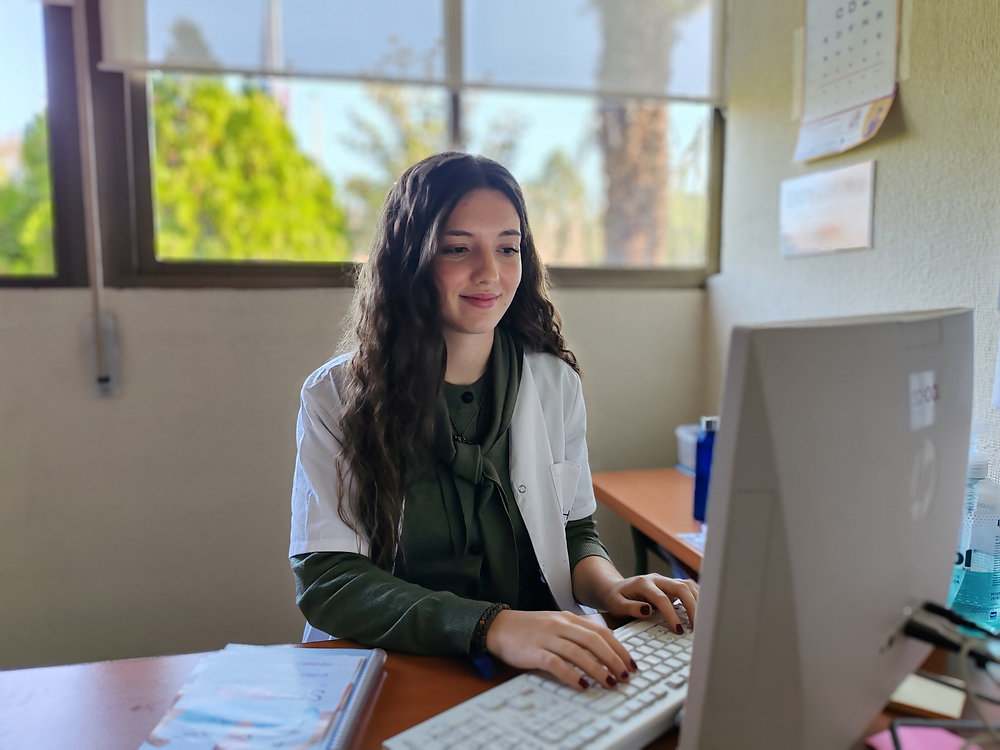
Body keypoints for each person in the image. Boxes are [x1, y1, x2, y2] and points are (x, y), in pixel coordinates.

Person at [289, 152, 697, 691]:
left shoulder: (554, 383)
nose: (490, 273)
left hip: (538, 668)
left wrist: (610, 587)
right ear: (409, 259)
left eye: (508, 247)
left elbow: (574, 531)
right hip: (401, 669)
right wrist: (489, 626)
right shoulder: (336, 395)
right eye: (458, 248)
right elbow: (330, 580)